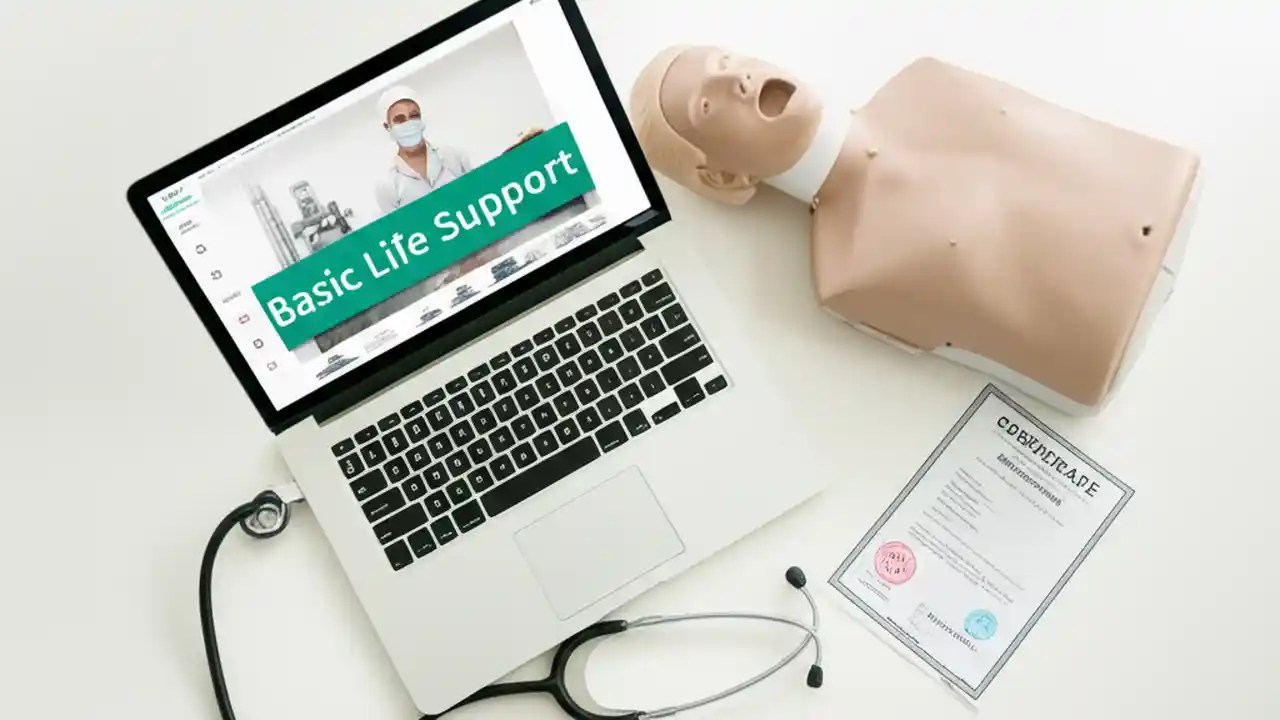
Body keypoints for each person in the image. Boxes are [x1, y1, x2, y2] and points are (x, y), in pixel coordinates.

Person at [630, 46, 1200, 414]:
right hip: (1104, 347)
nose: (740, 80)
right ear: (725, 179)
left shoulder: (925, 81)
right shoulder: (848, 276)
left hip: (1167, 189)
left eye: (729, 60)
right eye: (709, 104)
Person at [373, 85, 474, 215]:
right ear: (387, 126)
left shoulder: (452, 155)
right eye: (400, 119)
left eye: (414, 116)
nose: (408, 123)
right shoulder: (387, 184)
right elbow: (399, 230)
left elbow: (477, 193)